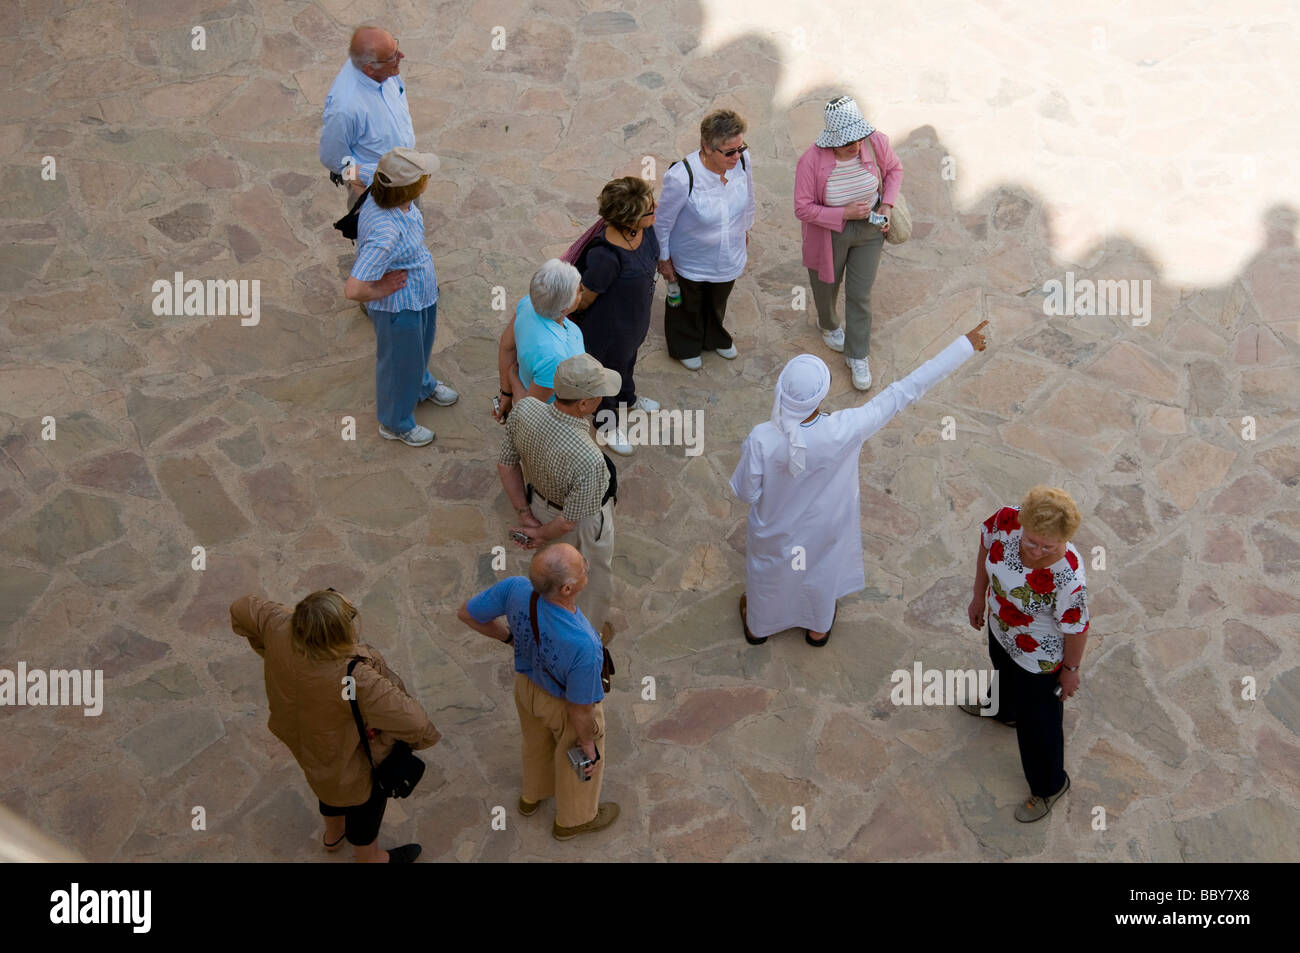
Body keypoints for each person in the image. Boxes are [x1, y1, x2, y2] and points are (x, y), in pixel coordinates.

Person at [730, 321, 989, 646]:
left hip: (775, 529)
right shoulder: (847, 428)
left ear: (781, 390)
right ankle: (818, 629)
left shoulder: (761, 438)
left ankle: (758, 628)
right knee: (820, 570)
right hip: (827, 527)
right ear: (821, 394)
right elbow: (904, 390)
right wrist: (962, 346)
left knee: (769, 574)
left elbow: (745, 491)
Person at [229, 588, 440, 862]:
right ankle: (370, 858)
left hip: (306, 741)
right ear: (340, 631)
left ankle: (333, 835)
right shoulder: (356, 676)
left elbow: (241, 606)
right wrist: (387, 741)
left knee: (324, 776)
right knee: (365, 804)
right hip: (350, 756)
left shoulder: (278, 624)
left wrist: (268, 644)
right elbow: (417, 723)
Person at [457, 544, 619, 840]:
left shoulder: (515, 587)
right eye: (582, 565)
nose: (586, 563)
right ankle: (574, 821)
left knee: (535, 744)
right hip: (563, 705)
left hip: (527, 688)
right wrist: (587, 745)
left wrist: (509, 638)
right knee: (576, 764)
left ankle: (532, 796)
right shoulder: (584, 645)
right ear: (568, 589)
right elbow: (580, 709)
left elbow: (467, 613)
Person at [960, 486, 1090, 823]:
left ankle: (1049, 786)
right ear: (1022, 522)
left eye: (1048, 546)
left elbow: (1076, 628)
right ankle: (1003, 711)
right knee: (1001, 671)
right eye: (1031, 541)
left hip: (1039, 659)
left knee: (1040, 727)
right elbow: (985, 548)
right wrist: (978, 595)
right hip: (1001, 628)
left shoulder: (1068, 576)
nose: (1035, 551)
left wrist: (1071, 669)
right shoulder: (1006, 519)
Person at [496, 354, 618, 641]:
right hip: (577, 524)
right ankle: (586, 637)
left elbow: (506, 463)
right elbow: (567, 522)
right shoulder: (590, 460)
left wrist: (525, 514)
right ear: (584, 404)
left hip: (539, 505)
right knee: (588, 581)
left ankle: (546, 625)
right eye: (599, 393)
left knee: (551, 577)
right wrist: (540, 535)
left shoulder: (524, 409)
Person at [344, 148, 458, 447]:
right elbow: (353, 288)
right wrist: (379, 289)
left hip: (420, 295)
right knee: (396, 364)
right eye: (425, 176)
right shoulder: (385, 233)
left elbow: (350, 171)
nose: (428, 178)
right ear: (411, 188)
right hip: (398, 306)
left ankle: (420, 384)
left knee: (418, 348)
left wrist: (357, 188)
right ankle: (395, 423)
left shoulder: (377, 178)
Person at [794, 95, 903, 391]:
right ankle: (828, 324)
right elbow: (802, 208)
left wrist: (887, 206)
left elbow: (894, 171)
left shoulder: (875, 142)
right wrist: (841, 213)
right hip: (829, 234)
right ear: (831, 140)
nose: (855, 146)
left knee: (860, 293)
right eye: (847, 142)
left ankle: (857, 354)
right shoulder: (810, 161)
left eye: (858, 139)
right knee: (825, 285)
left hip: (870, 231)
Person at [654, 109, 756, 371]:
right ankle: (685, 344)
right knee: (687, 303)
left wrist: (745, 228)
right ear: (707, 148)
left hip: (728, 254)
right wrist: (664, 258)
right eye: (729, 151)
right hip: (691, 257)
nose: (737, 156)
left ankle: (714, 337)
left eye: (740, 148)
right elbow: (663, 222)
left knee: (718, 299)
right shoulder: (682, 177)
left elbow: (750, 197)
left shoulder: (743, 161)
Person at [568, 177, 661, 456]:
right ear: (629, 219)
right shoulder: (604, 257)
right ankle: (607, 425)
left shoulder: (647, 229)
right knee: (605, 378)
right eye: (649, 207)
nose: (656, 207)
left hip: (633, 322)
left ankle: (628, 397)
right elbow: (584, 301)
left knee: (627, 363)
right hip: (607, 332)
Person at [319, 26, 415, 206]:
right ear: (370, 69)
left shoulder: (384, 68)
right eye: (393, 56)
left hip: (406, 173)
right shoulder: (345, 108)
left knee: (413, 228)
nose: (401, 56)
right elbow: (332, 156)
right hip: (377, 191)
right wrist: (361, 186)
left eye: (396, 49)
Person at [494, 259, 585, 420]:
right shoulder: (555, 356)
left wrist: (506, 393)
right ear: (564, 308)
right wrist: (513, 377)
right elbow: (529, 412)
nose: (583, 291)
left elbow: (507, 347)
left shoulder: (529, 303)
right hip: (552, 418)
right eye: (579, 291)